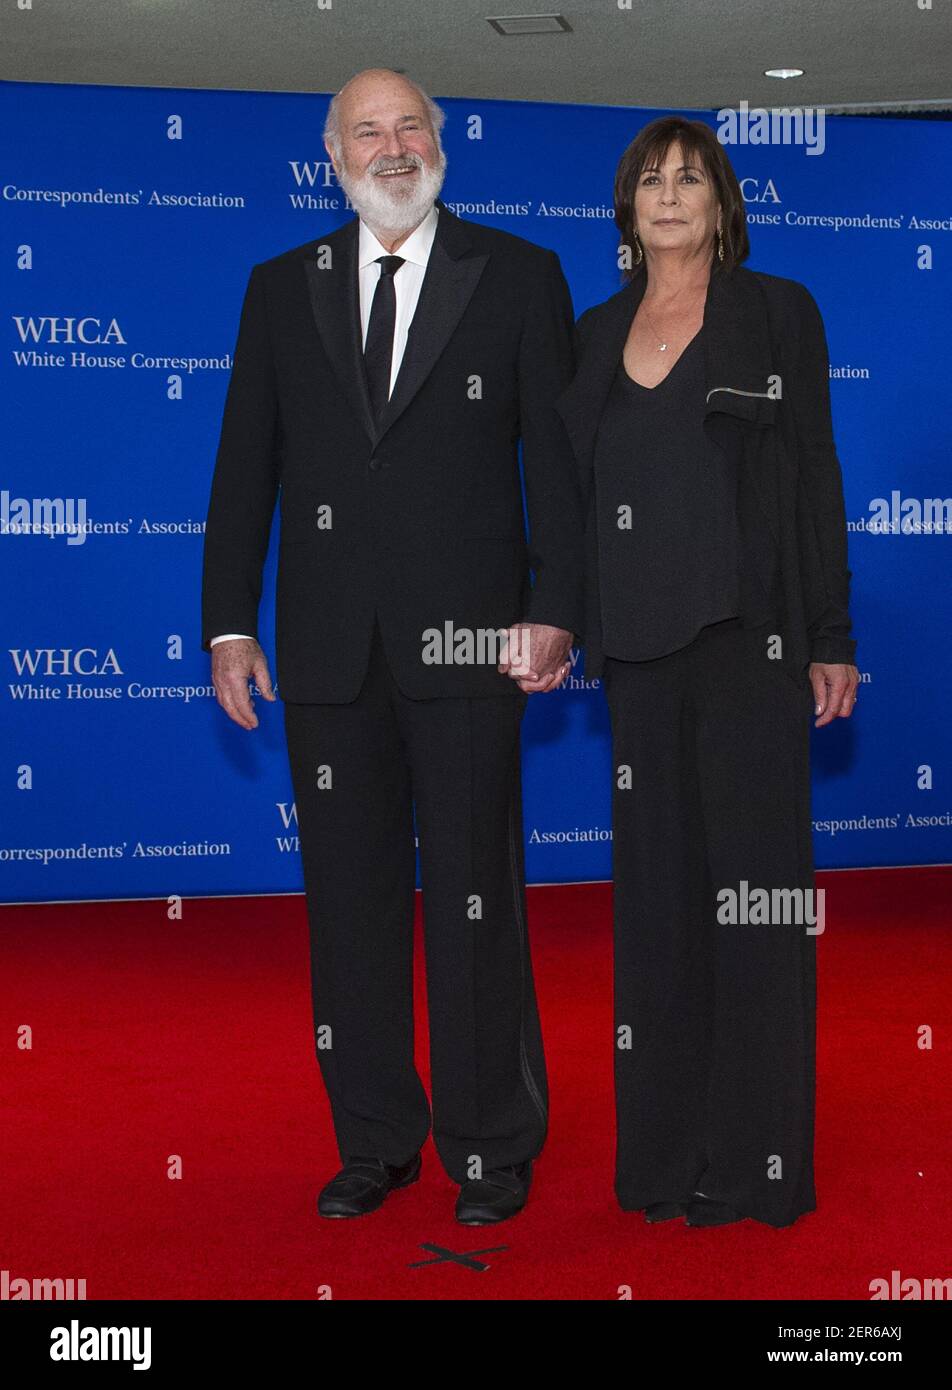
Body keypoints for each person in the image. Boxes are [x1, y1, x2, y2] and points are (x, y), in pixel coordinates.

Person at [201, 68, 583, 1224]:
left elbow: (557, 471)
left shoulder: (519, 276)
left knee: (478, 901)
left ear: (441, 143)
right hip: (325, 657)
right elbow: (242, 469)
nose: (391, 145)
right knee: (348, 908)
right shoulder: (280, 288)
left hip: (475, 648)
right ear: (332, 157)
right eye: (366, 130)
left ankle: (489, 1144)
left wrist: (558, 604)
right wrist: (228, 621)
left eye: (409, 124)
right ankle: (373, 1137)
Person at [552, 115, 859, 1228]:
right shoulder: (590, 337)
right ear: (627, 210)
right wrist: (560, 622)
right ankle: (664, 1160)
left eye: (690, 178)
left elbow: (814, 476)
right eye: (650, 179)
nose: (669, 194)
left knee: (757, 910)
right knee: (660, 912)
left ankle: (757, 1163)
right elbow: (569, 506)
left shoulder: (778, 313)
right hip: (636, 659)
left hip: (754, 649)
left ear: (723, 205)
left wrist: (829, 632)